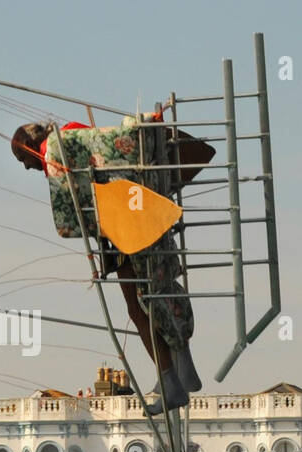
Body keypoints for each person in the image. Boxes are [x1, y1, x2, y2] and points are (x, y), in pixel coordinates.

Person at [12, 116, 215, 411]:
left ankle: (171, 382)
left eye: (23, 159)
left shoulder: (53, 154)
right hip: (146, 212)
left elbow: (68, 219)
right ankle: (184, 370)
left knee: (140, 306)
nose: (26, 167)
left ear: (31, 148)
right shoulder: (72, 131)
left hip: (122, 229)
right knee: (163, 290)